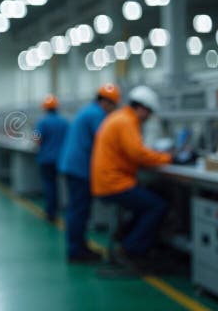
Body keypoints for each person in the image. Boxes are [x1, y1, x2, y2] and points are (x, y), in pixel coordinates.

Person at [91, 85, 172, 263]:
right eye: (148, 113)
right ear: (142, 108)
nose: (148, 117)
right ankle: (130, 250)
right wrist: (168, 158)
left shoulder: (121, 118)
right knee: (156, 206)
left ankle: (126, 239)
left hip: (109, 180)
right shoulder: (126, 122)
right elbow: (138, 154)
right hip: (114, 183)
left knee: (147, 201)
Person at [58, 83, 120, 263]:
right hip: (79, 168)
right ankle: (76, 252)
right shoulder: (97, 115)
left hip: (73, 165)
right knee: (79, 211)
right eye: (113, 106)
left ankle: (78, 247)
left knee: (78, 210)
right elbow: (105, 141)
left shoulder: (89, 110)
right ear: (107, 103)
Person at [34, 95, 69, 223]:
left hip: (45, 158)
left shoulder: (41, 122)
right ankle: (60, 208)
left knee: (49, 185)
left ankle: (50, 212)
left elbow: (36, 139)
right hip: (60, 159)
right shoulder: (64, 122)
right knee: (57, 184)